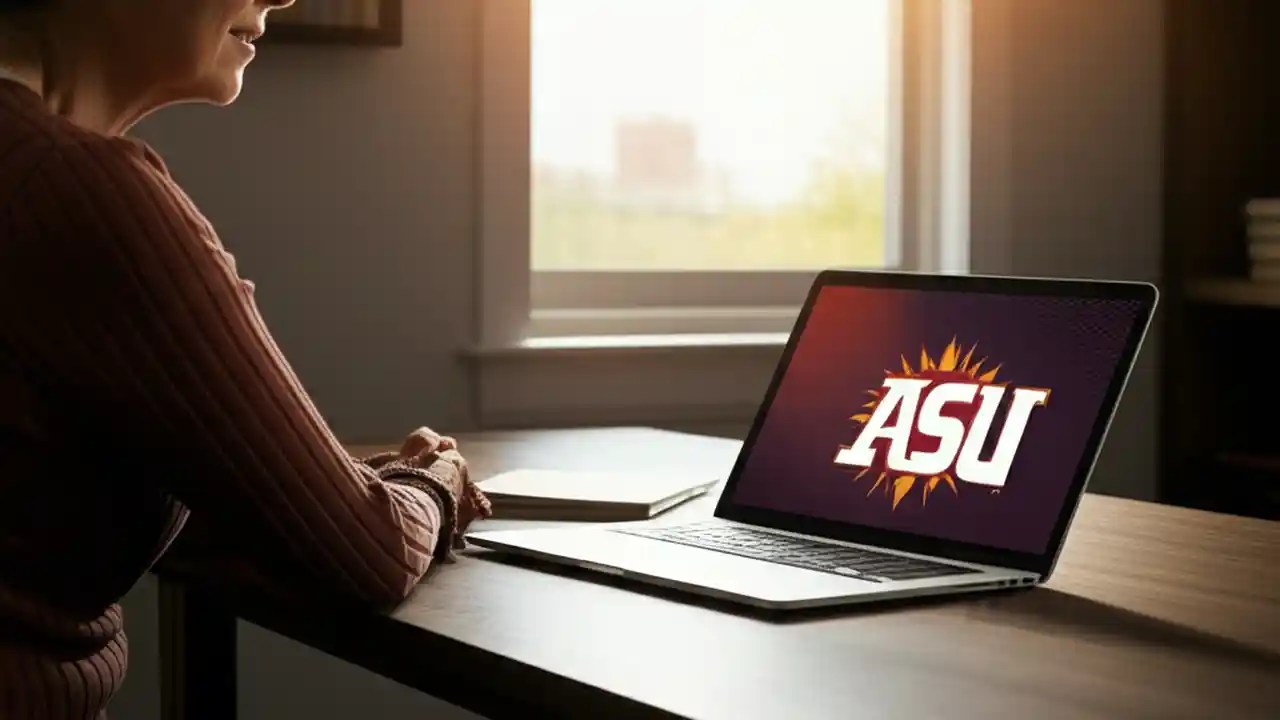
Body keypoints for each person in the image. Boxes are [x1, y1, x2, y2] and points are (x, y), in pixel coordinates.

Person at [0, 1, 492, 717]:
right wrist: (437, 477)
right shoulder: (75, 190)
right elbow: (370, 554)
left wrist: (321, 489)